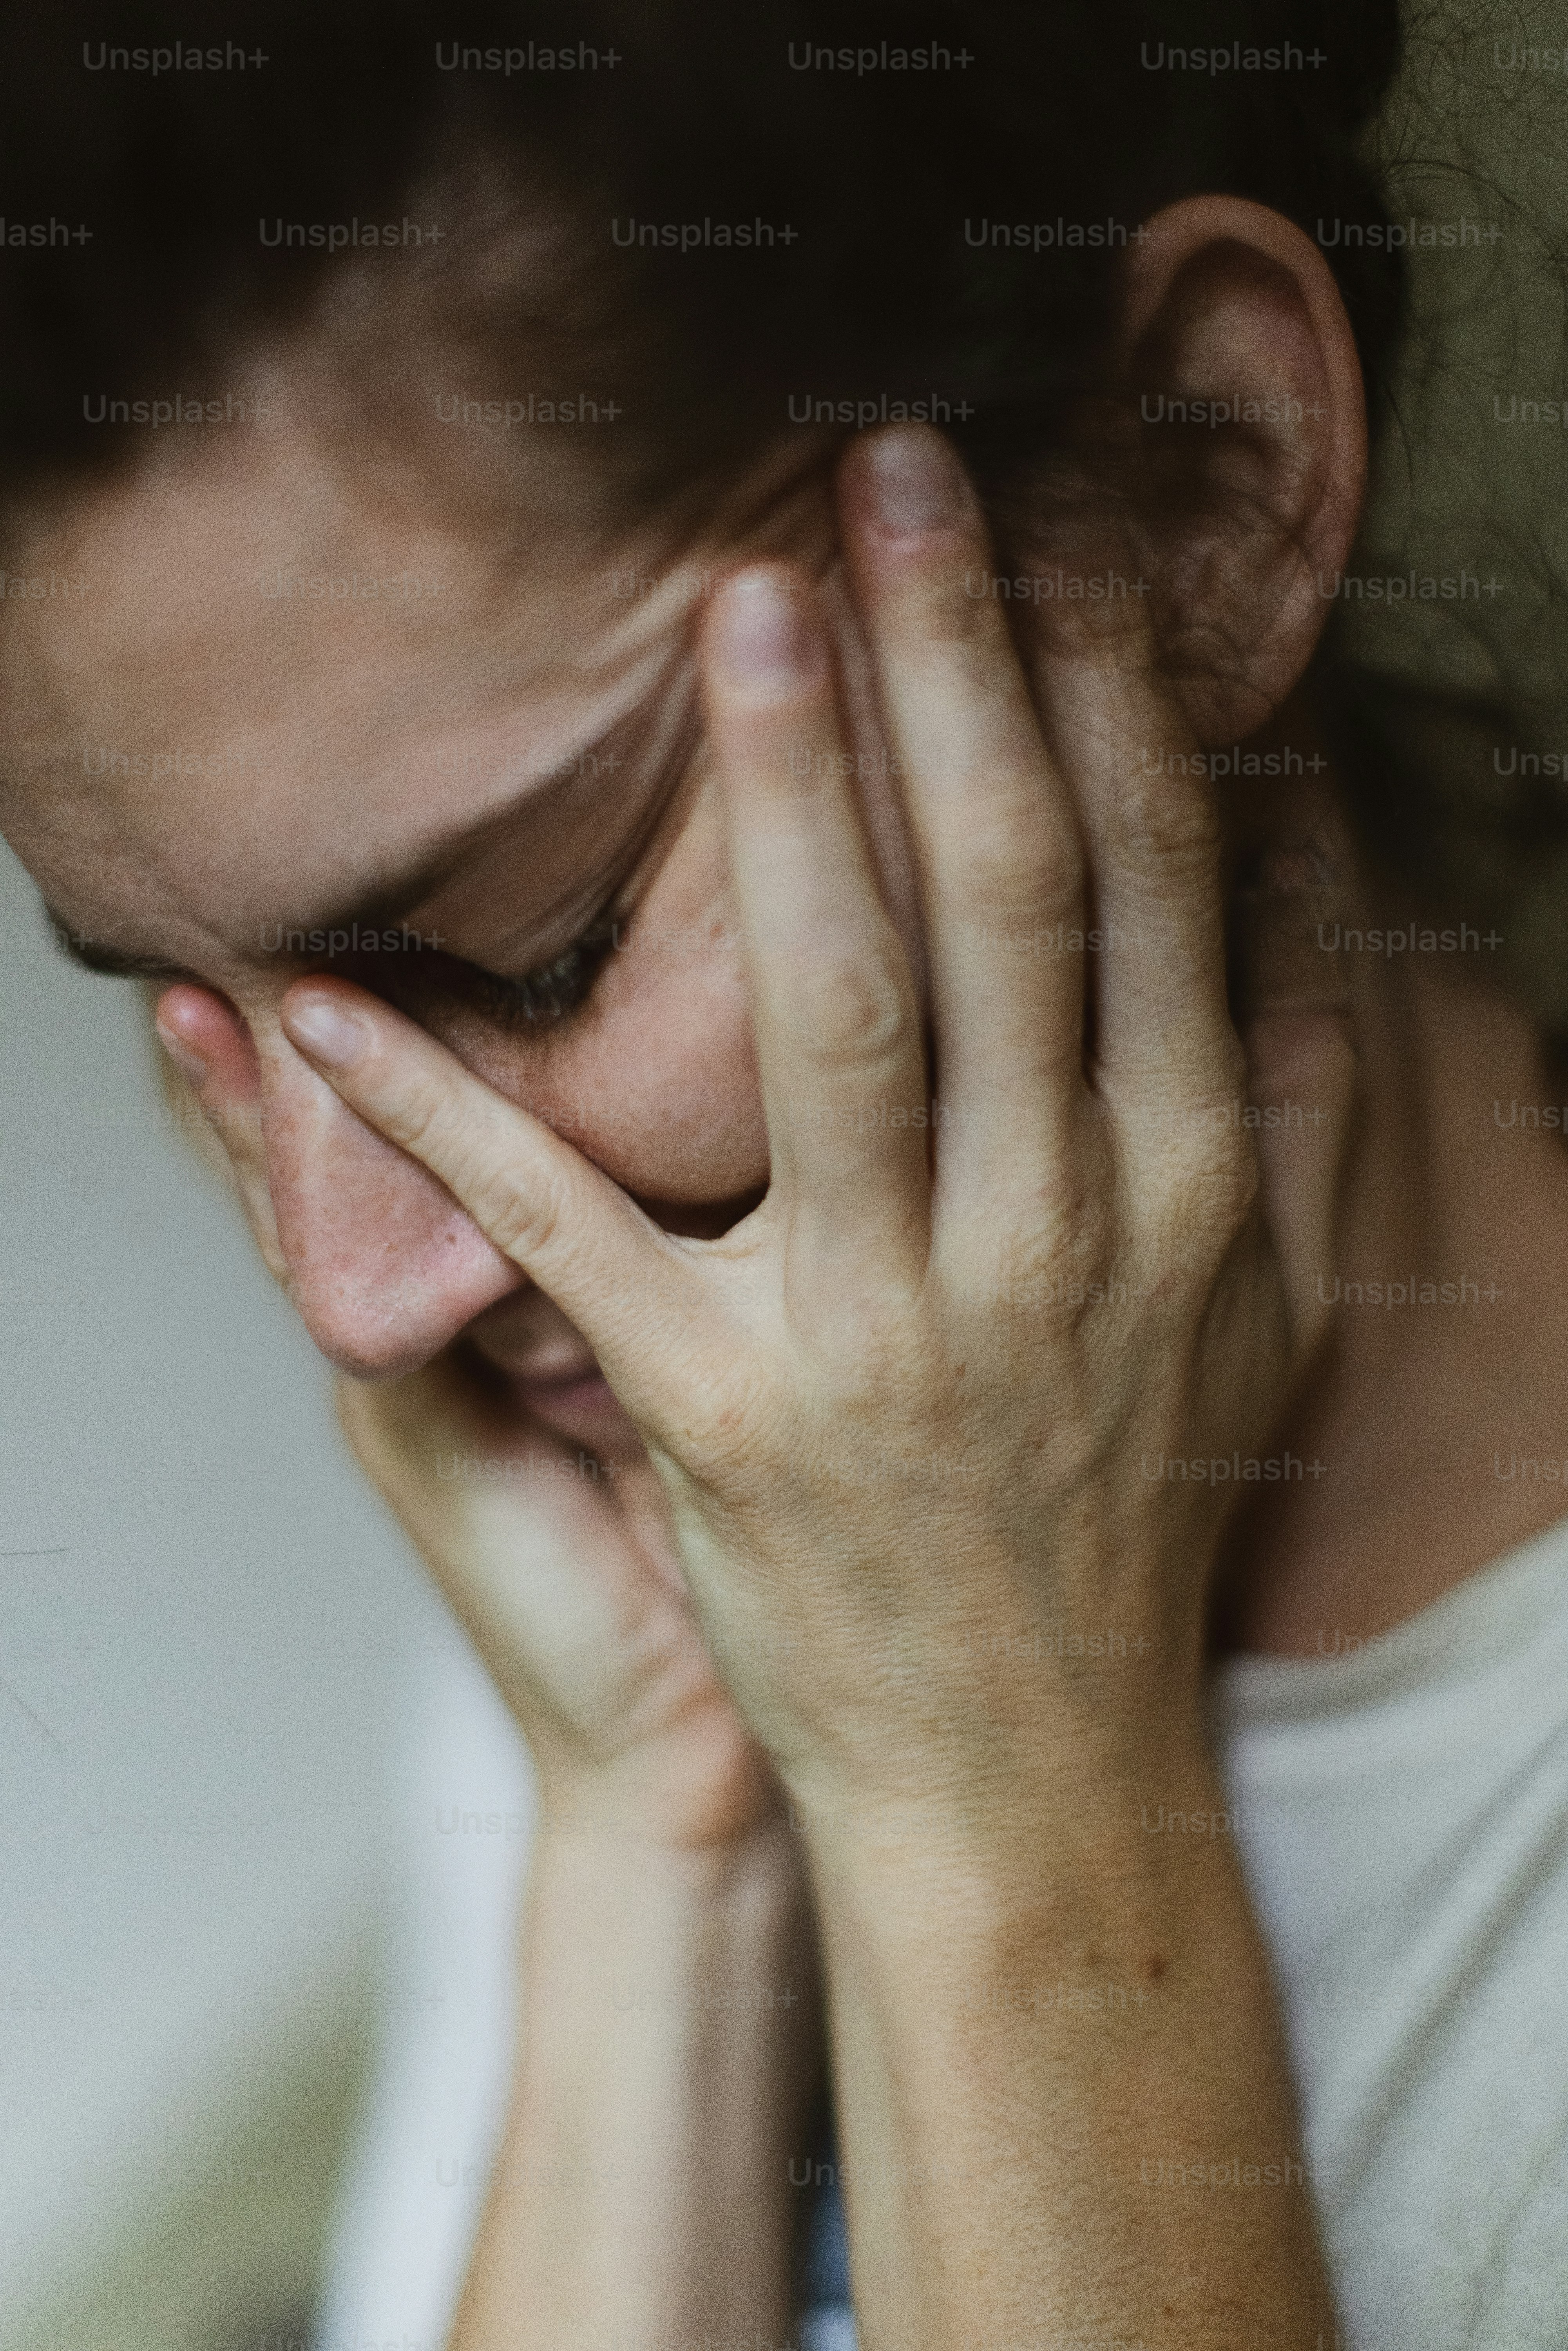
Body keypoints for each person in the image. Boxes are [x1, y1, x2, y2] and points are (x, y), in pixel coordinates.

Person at [4, 4, 1568, 2346]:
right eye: (190, 1000)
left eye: (533, 954)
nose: (357, 1292)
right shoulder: (709, 1451)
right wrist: (664, 1845)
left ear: (1205, 488)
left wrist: (997, 1793)